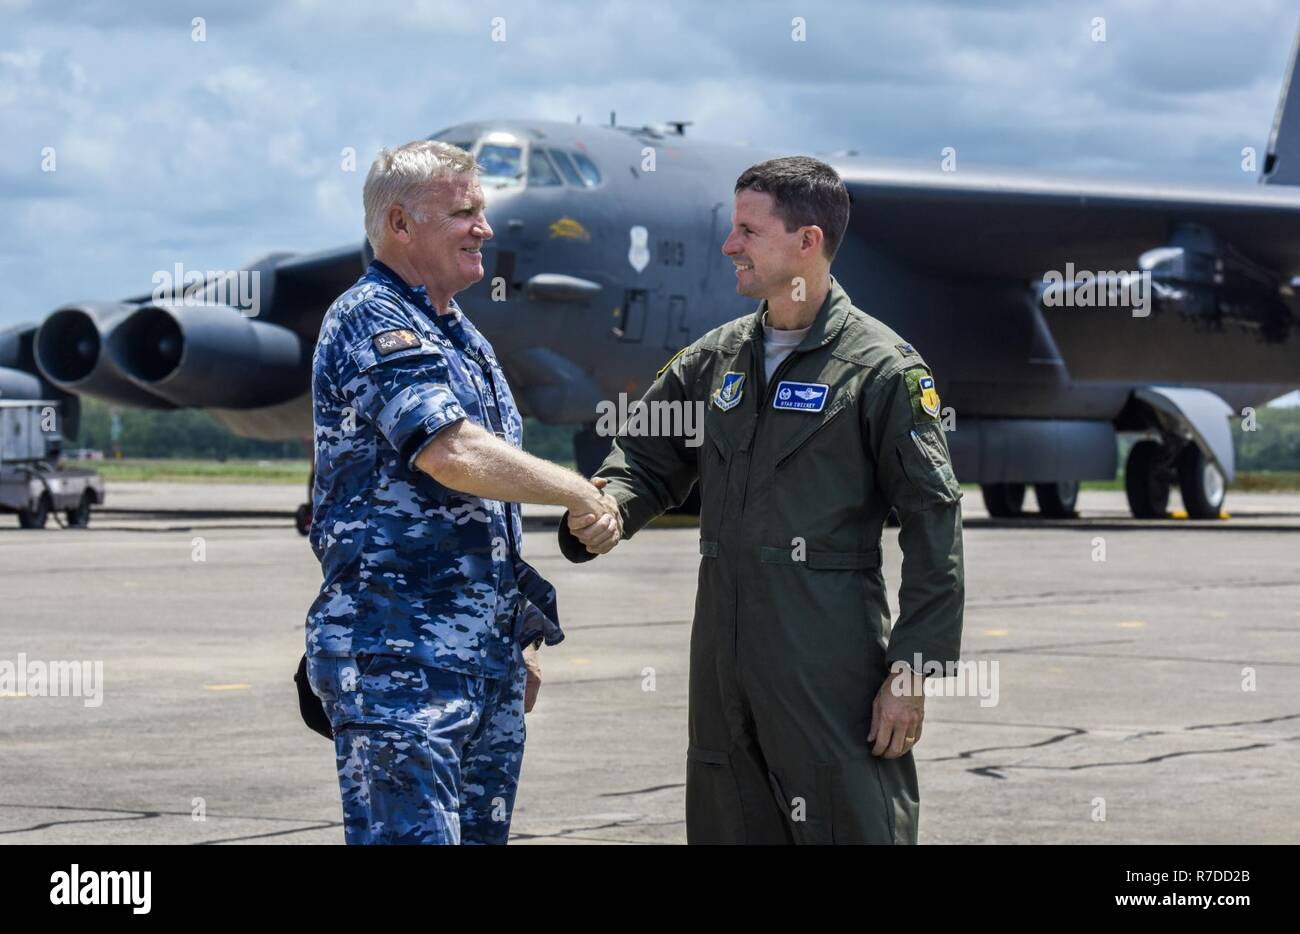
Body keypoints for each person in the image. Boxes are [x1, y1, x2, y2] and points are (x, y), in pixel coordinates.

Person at [561, 156, 964, 844]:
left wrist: (912, 671)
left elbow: (935, 524)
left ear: (807, 242)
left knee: (852, 823)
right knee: (727, 821)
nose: (729, 246)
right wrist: (610, 508)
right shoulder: (713, 360)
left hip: (827, 663)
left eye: (748, 230)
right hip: (722, 658)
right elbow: (646, 459)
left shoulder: (881, 370)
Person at [306, 140, 619, 845]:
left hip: (477, 660)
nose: (485, 228)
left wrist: (515, 639)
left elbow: (487, 508)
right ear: (400, 225)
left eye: (482, 211)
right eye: (463, 212)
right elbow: (452, 453)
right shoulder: (371, 317)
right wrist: (578, 492)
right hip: (400, 657)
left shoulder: (461, 336)